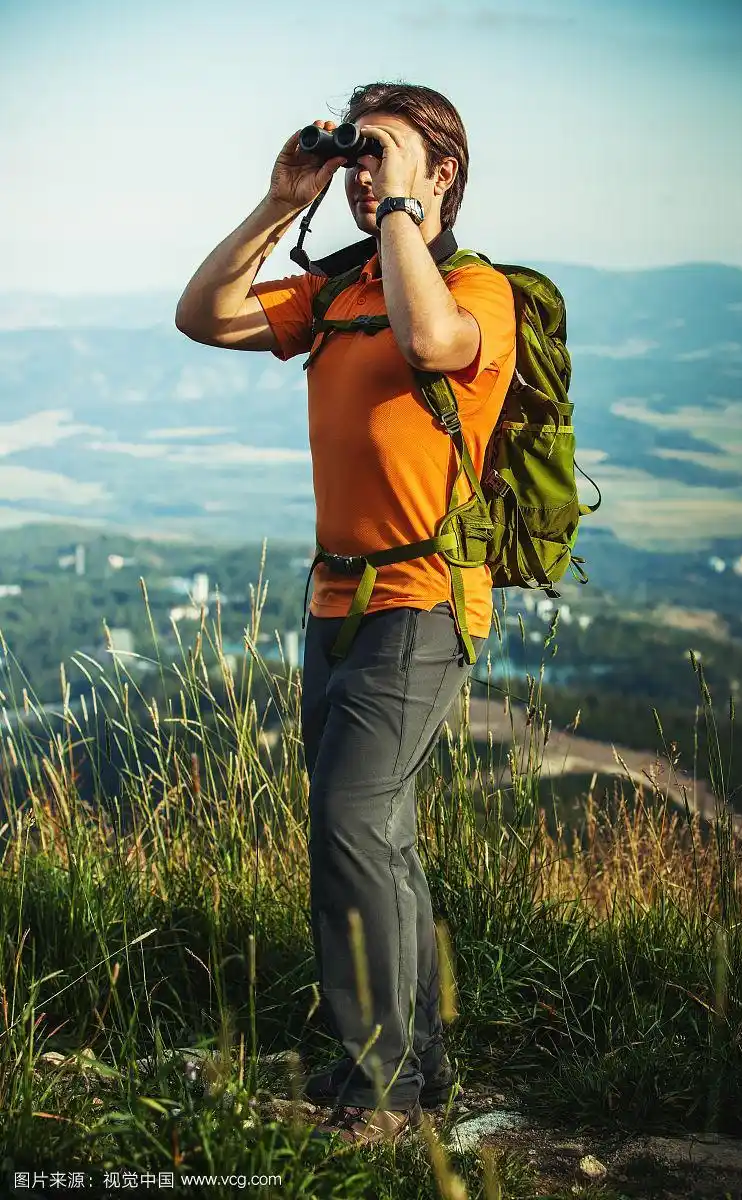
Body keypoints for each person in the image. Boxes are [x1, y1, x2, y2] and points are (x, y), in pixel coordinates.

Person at [175, 81, 516, 1146]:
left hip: (421, 601)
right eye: (356, 155)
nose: (362, 169)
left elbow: (429, 344)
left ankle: (379, 1093)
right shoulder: (336, 294)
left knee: (350, 823)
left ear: (442, 173)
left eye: (380, 152)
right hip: (336, 599)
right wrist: (284, 199)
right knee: (375, 836)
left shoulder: (476, 290)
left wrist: (403, 209)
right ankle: (415, 1064)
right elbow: (202, 314)